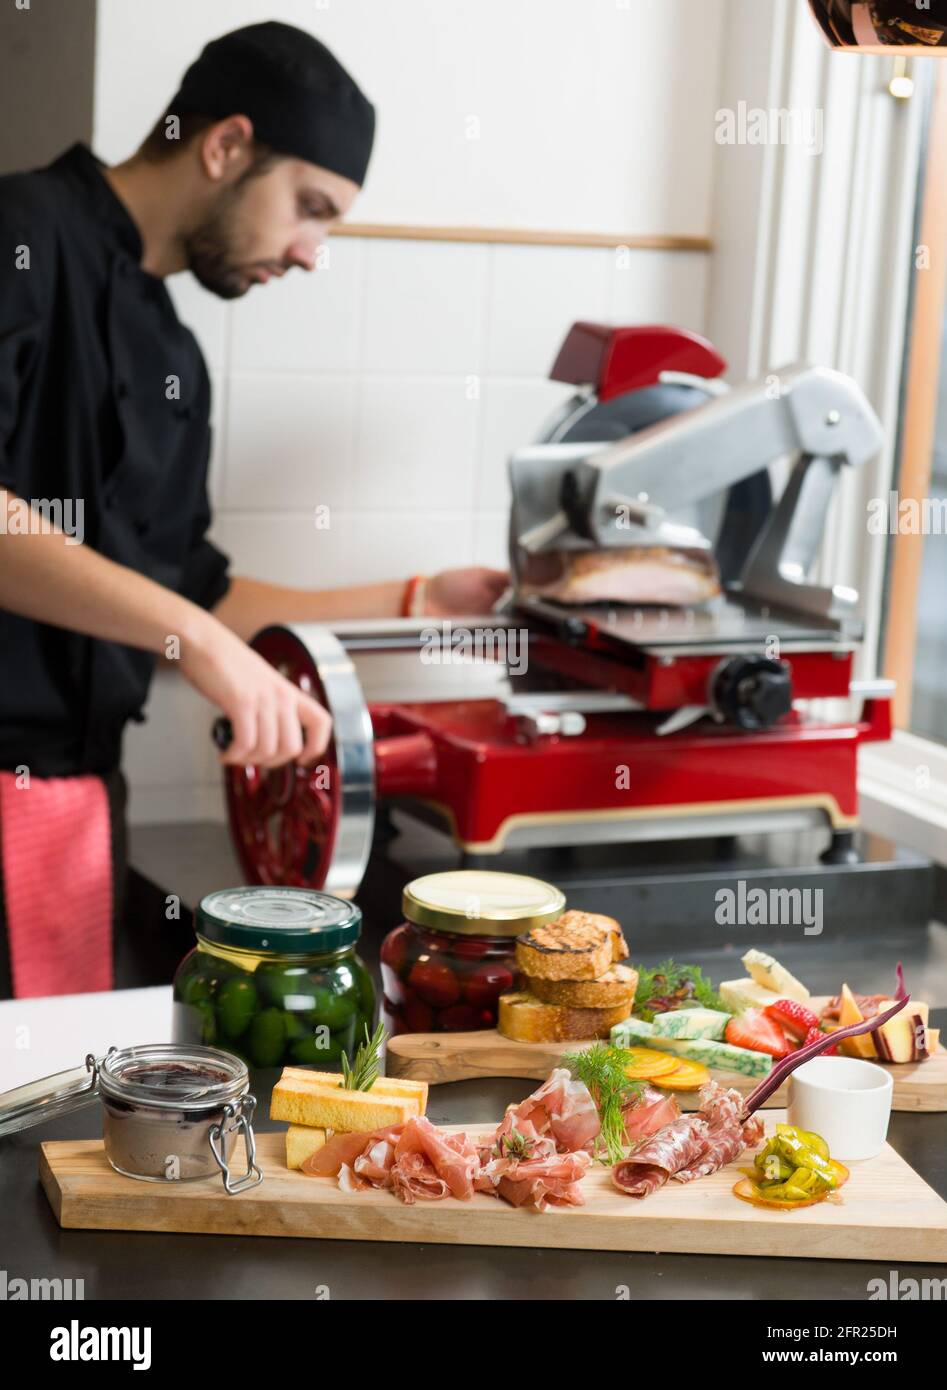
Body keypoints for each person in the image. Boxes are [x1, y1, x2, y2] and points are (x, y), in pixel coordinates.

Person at [0, 21, 507, 998]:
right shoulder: (18, 228)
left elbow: (193, 596)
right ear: (225, 145)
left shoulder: (173, 355)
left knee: (46, 1097)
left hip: (79, 816)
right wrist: (200, 639)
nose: (312, 254)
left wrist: (417, 597)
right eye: (310, 208)